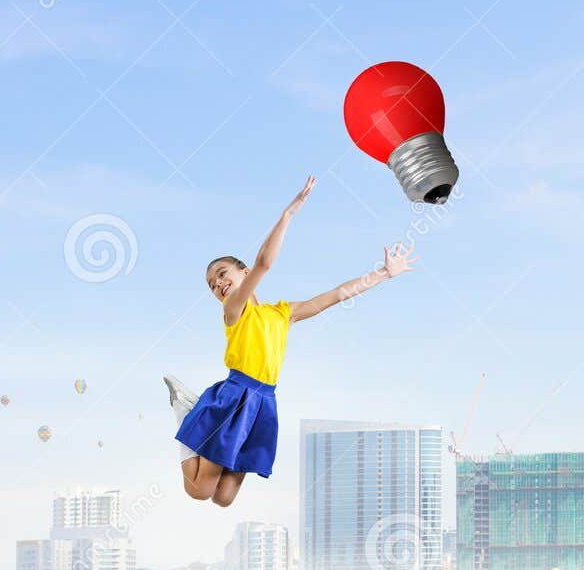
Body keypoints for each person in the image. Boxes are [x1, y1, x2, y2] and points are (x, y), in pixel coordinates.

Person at [164, 176, 417, 506]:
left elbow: (336, 295)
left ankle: (200, 424)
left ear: (241, 272)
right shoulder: (233, 310)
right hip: (234, 397)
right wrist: (288, 214)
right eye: (213, 284)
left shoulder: (283, 313)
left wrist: (383, 275)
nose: (219, 284)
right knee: (198, 491)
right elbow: (265, 263)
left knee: (223, 499)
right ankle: (186, 411)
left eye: (223, 274)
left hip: (262, 403)